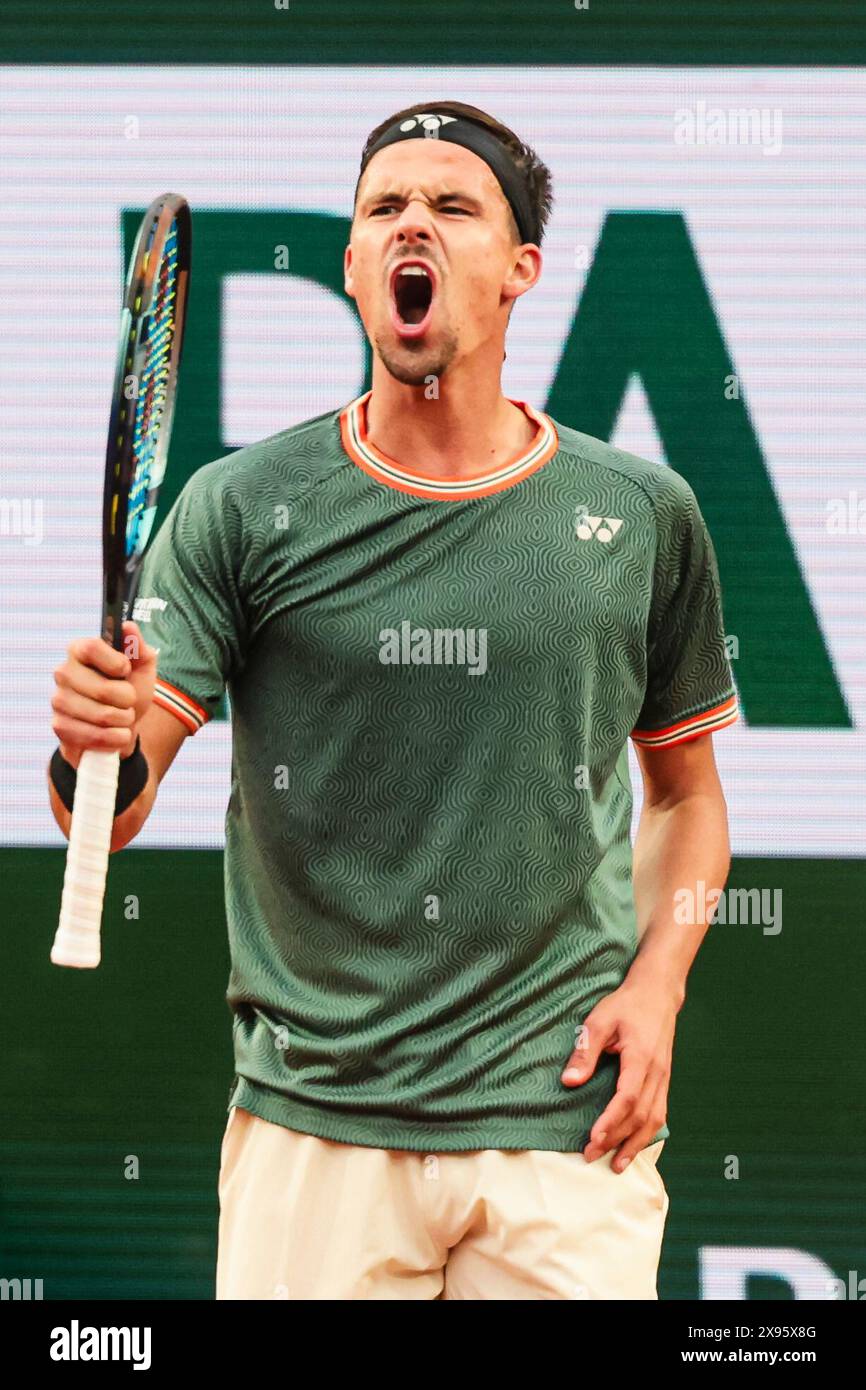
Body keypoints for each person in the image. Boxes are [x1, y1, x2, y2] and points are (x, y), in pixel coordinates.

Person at [48, 100, 738, 1300]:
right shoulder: (238, 507)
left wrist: (657, 986)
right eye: (384, 209)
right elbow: (106, 810)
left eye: (452, 205)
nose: (412, 221)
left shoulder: (640, 513)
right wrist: (90, 747)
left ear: (519, 269)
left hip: (562, 1126)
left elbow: (684, 796)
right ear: (355, 266)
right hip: (314, 1129)